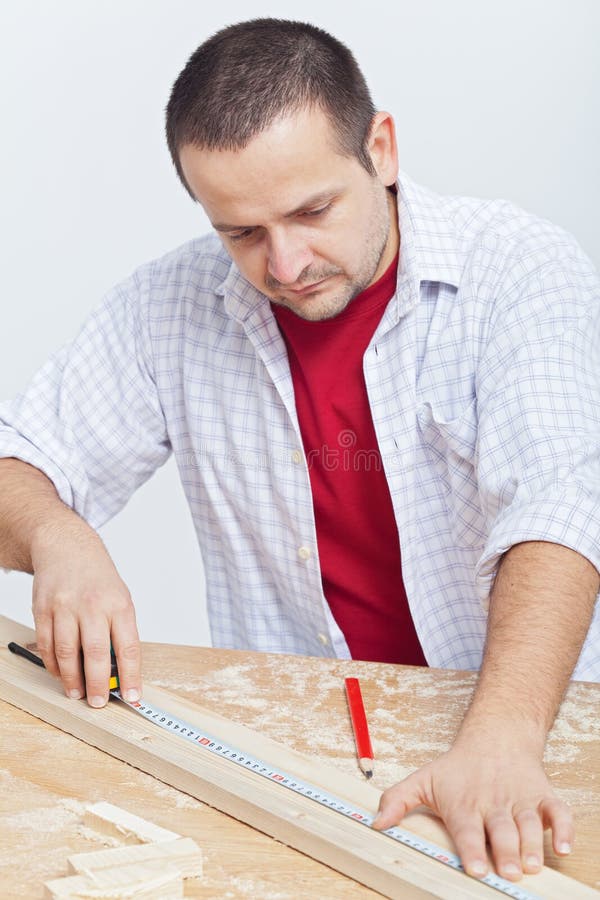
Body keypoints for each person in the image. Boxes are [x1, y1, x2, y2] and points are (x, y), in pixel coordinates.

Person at [1, 17, 599, 885]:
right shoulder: (169, 306)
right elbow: (18, 458)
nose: (285, 263)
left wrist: (502, 741)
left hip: (513, 727)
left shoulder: (518, 269)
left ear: (382, 150)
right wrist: (58, 535)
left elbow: (560, 510)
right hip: (294, 749)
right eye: (240, 232)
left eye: (312, 211)